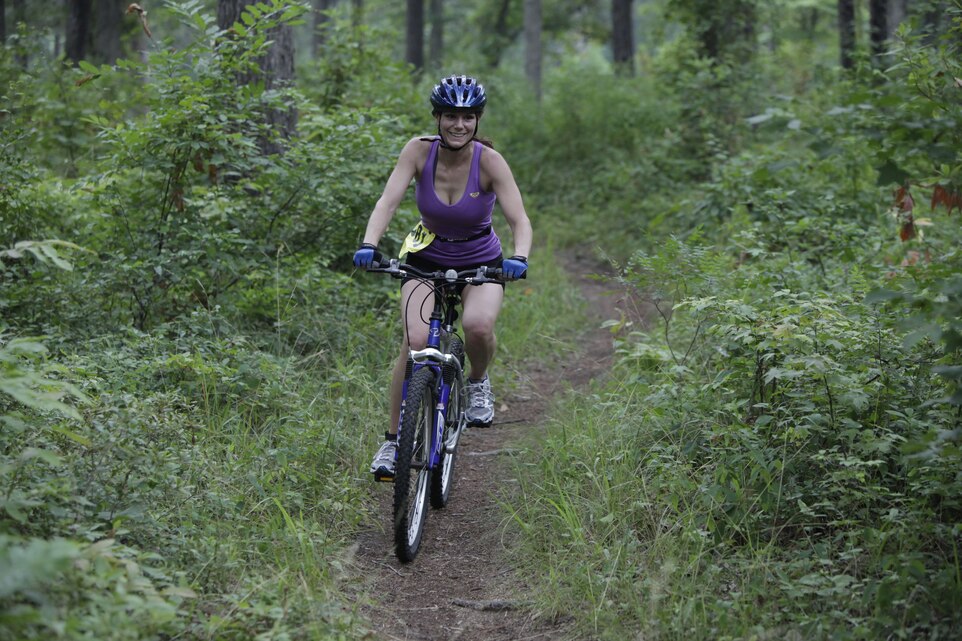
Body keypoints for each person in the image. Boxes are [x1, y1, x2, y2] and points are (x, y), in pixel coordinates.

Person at [353, 74, 533, 479]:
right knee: (415, 343)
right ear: (437, 117)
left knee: (478, 325)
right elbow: (387, 201)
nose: (459, 125)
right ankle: (394, 440)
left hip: (480, 262)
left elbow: (520, 219)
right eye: (450, 115)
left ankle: (477, 381)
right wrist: (368, 243)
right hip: (425, 258)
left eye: (468, 117)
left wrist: (519, 256)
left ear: (477, 121)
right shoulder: (418, 153)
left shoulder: (490, 162)